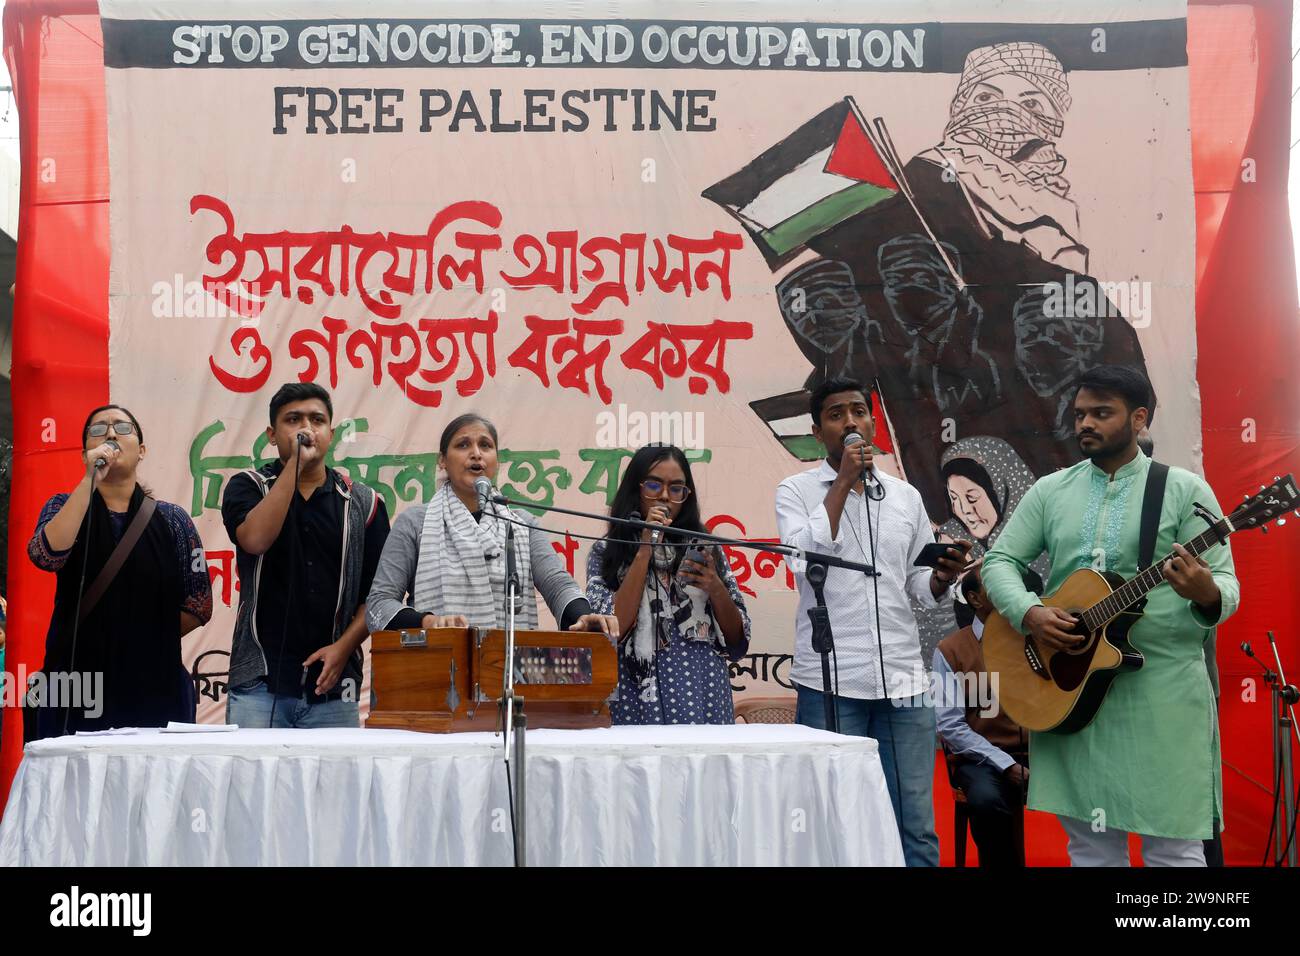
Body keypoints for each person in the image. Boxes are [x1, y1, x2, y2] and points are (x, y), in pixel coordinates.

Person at [982, 365, 1239, 866]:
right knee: (1091, 848)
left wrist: (1204, 591)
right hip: (1069, 687)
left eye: (1101, 413)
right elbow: (999, 562)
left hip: (1161, 693)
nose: (1085, 424)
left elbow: (1226, 586)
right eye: (1080, 414)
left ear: (1138, 419)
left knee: (1174, 844)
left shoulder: (1185, 490)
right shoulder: (1052, 490)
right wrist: (1030, 613)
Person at [775, 377, 972, 866]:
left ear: (872, 421)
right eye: (837, 414)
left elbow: (918, 589)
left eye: (859, 411)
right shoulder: (795, 492)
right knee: (834, 822)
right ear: (818, 430)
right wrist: (842, 482)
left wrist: (941, 578)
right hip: (831, 683)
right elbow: (803, 561)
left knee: (915, 826)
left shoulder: (905, 497)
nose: (850, 422)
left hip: (904, 681)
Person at [27, 405, 212, 733]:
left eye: (122, 428)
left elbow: (199, 603)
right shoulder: (60, 506)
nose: (111, 434)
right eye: (98, 430)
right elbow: (46, 556)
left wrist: (137, 639)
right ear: (86, 451)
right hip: (76, 685)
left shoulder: (173, 520)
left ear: (141, 451)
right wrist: (89, 480)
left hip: (154, 682)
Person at [222, 383, 390, 728]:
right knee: (254, 783)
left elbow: (378, 596)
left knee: (335, 784)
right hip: (260, 682)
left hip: (333, 685)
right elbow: (254, 540)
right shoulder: (248, 486)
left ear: (330, 432)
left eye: (317, 420)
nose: (306, 429)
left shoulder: (365, 503)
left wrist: (344, 648)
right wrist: (294, 468)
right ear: (272, 434)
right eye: (293, 420)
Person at [366, 413, 617, 641]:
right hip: (434, 671)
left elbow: (557, 584)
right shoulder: (415, 523)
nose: (476, 453)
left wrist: (582, 615)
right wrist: (427, 622)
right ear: (442, 460)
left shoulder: (521, 525)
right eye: (463, 444)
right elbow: (379, 603)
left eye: (485, 445)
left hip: (508, 672)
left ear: (496, 460)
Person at [585, 444, 751, 724]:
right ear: (635, 489)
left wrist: (715, 587)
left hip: (702, 690)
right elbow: (612, 629)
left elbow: (737, 642)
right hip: (635, 693)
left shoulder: (705, 548)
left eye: (676, 489)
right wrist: (645, 547)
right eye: (654, 485)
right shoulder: (608, 551)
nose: (664, 496)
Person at [934, 565, 1041, 867]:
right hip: (983, 759)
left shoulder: (1039, 635)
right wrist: (1006, 765)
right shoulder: (950, 650)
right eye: (995, 584)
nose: (1010, 587)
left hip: (1045, 752)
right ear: (975, 599)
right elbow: (951, 726)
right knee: (986, 801)